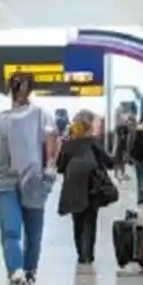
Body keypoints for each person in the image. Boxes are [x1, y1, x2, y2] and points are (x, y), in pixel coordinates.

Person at [0, 72, 57, 285]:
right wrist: (50, 173)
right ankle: (23, 271)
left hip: (14, 181)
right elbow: (52, 147)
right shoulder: (40, 116)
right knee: (28, 231)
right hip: (29, 180)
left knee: (15, 230)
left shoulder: (4, 120)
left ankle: (20, 270)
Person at [57, 110, 115, 266]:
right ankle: (87, 254)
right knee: (90, 218)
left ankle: (80, 253)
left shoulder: (67, 144)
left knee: (77, 219)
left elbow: (60, 166)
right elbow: (109, 162)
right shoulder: (93, 142)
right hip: (92, 184)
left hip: (73, 185)